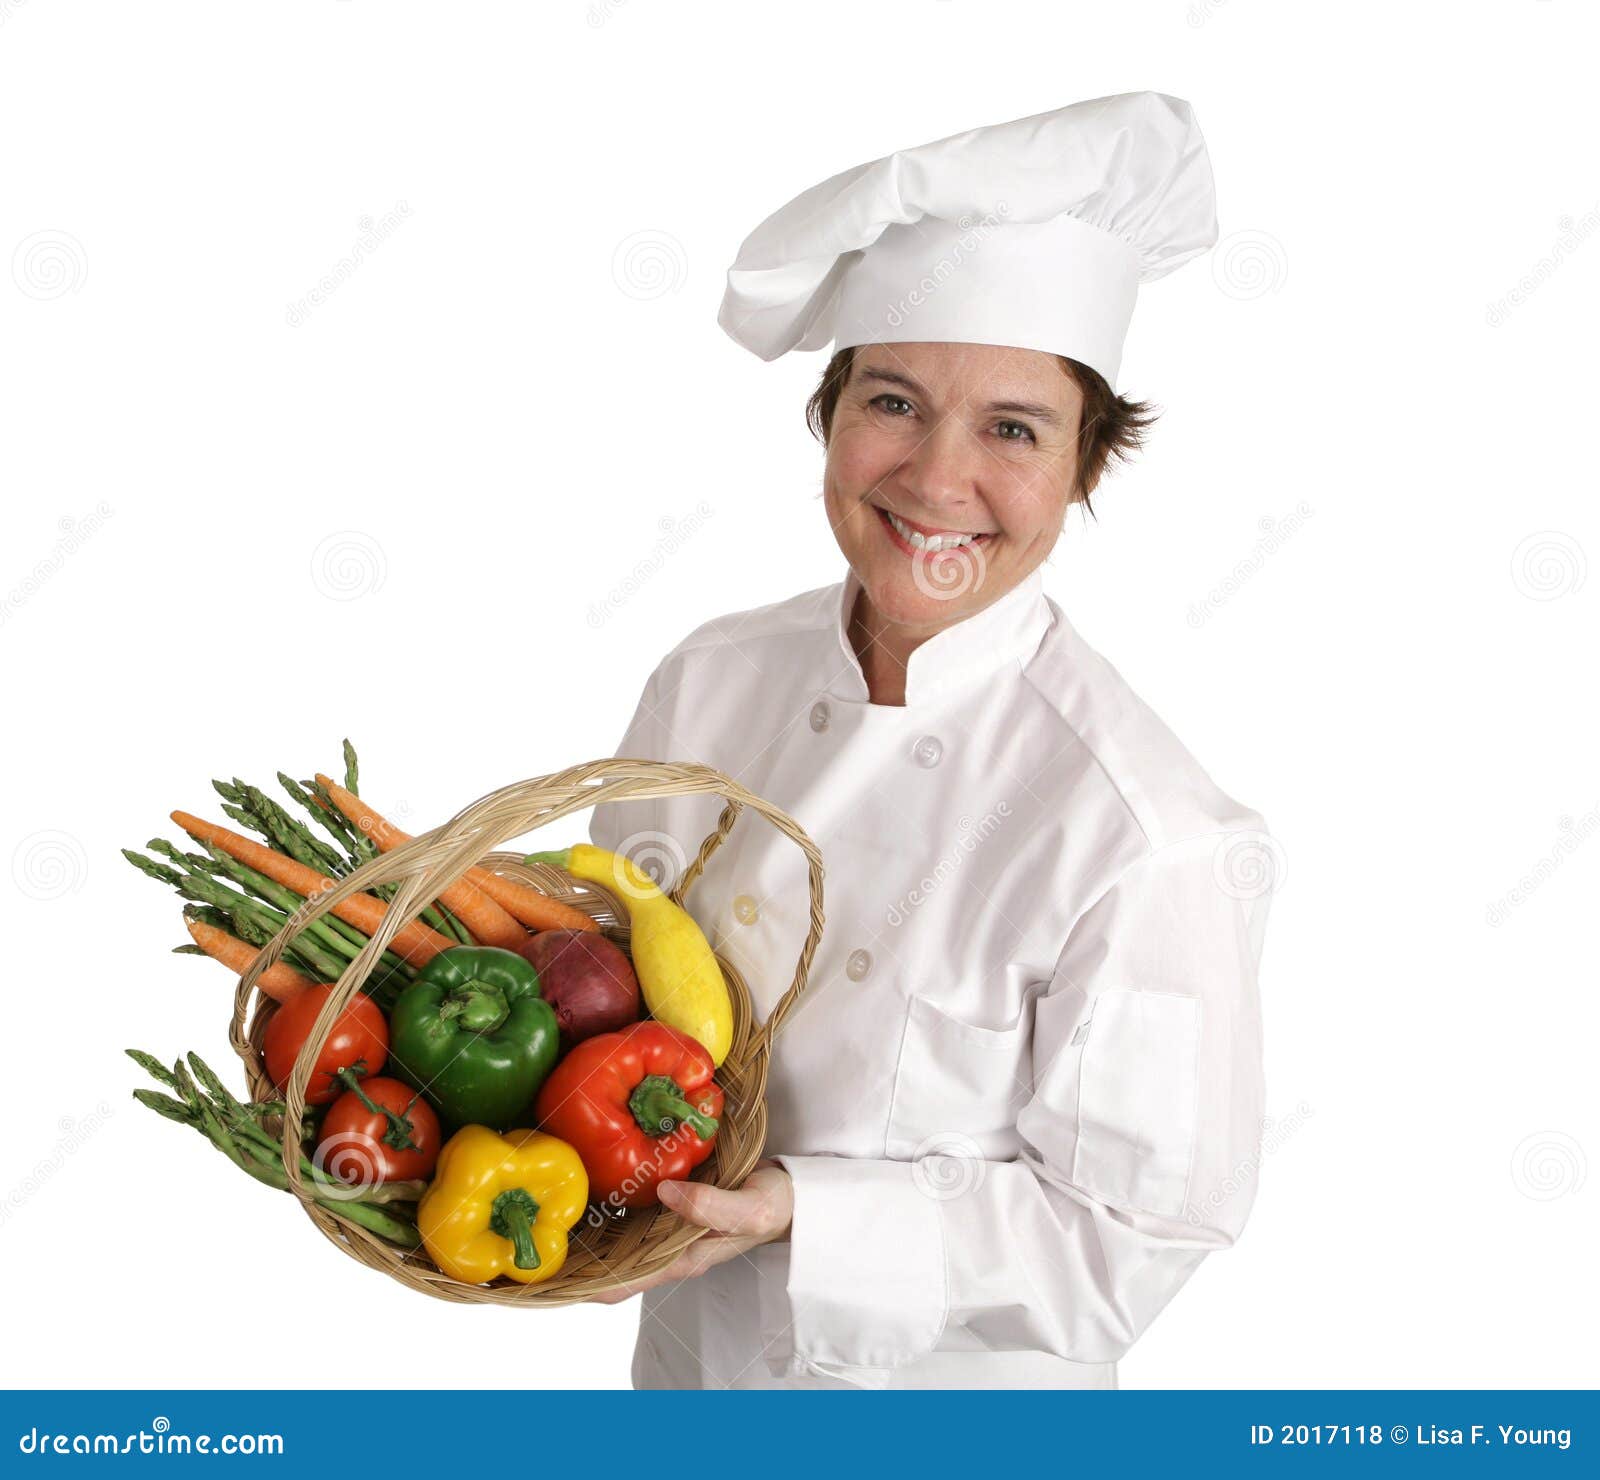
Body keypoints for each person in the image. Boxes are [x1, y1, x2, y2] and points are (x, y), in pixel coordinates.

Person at [585, 91, 1277, 1390]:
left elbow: (1135, 1235)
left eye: (1013, 429)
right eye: (892, 402)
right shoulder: (705, 686)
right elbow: (604, 987)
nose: (936, 479)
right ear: (831, 416)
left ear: (1085, 466)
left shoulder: (1148, 829)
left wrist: (810, 1211)